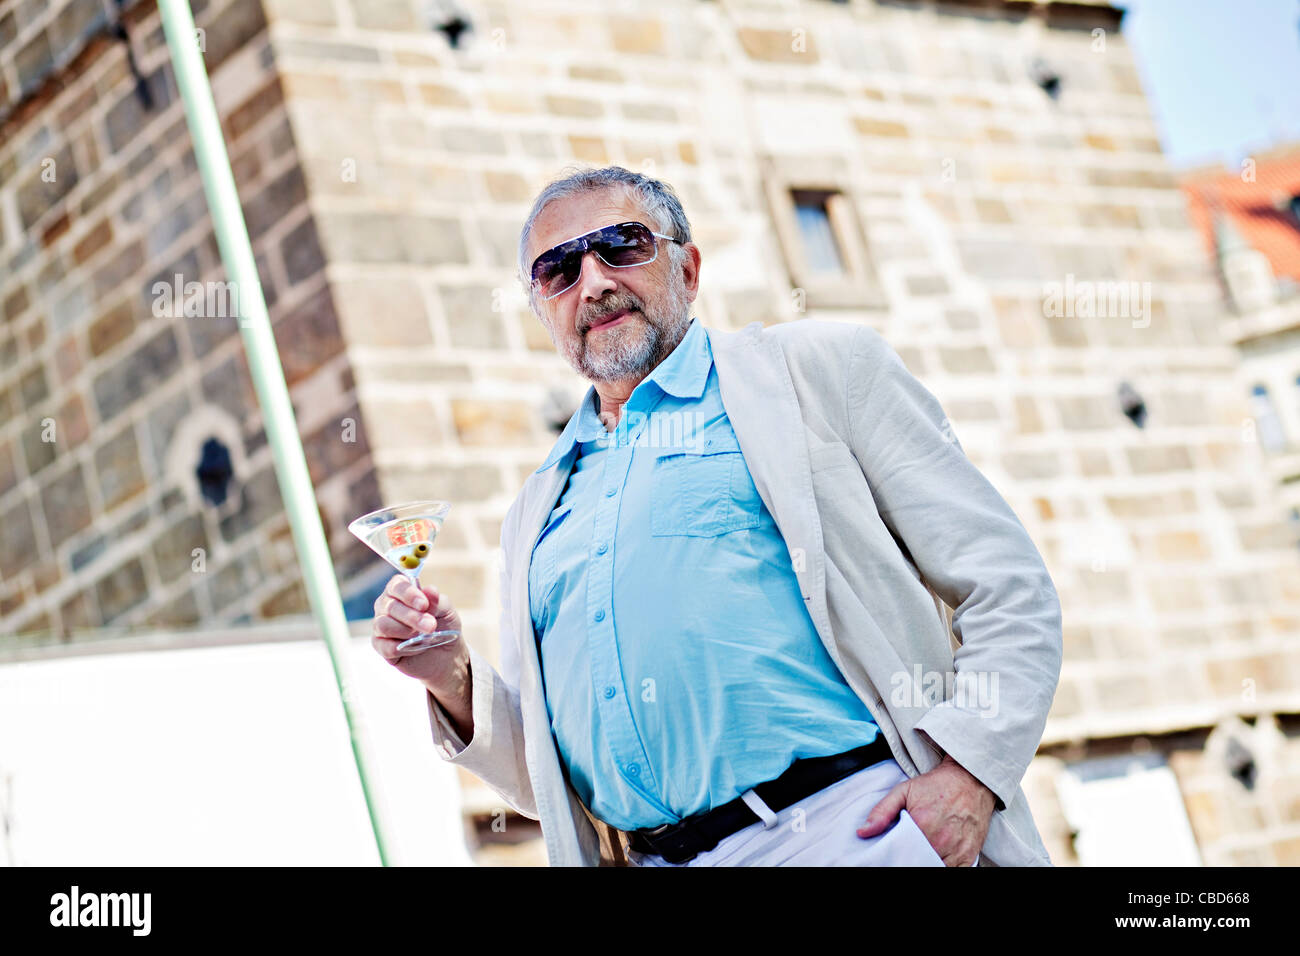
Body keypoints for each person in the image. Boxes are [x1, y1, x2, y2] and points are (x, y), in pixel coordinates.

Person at [370, 166, 1063, 867]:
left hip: (857, 831)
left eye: (622, 244)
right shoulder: (535, 513)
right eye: (558, 270)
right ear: (542, 309)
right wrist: (449, 674)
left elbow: (1008, 587)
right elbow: (543, 779)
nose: (594, 281)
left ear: (688, 268)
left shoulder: (816, 372)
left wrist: (968, 777)